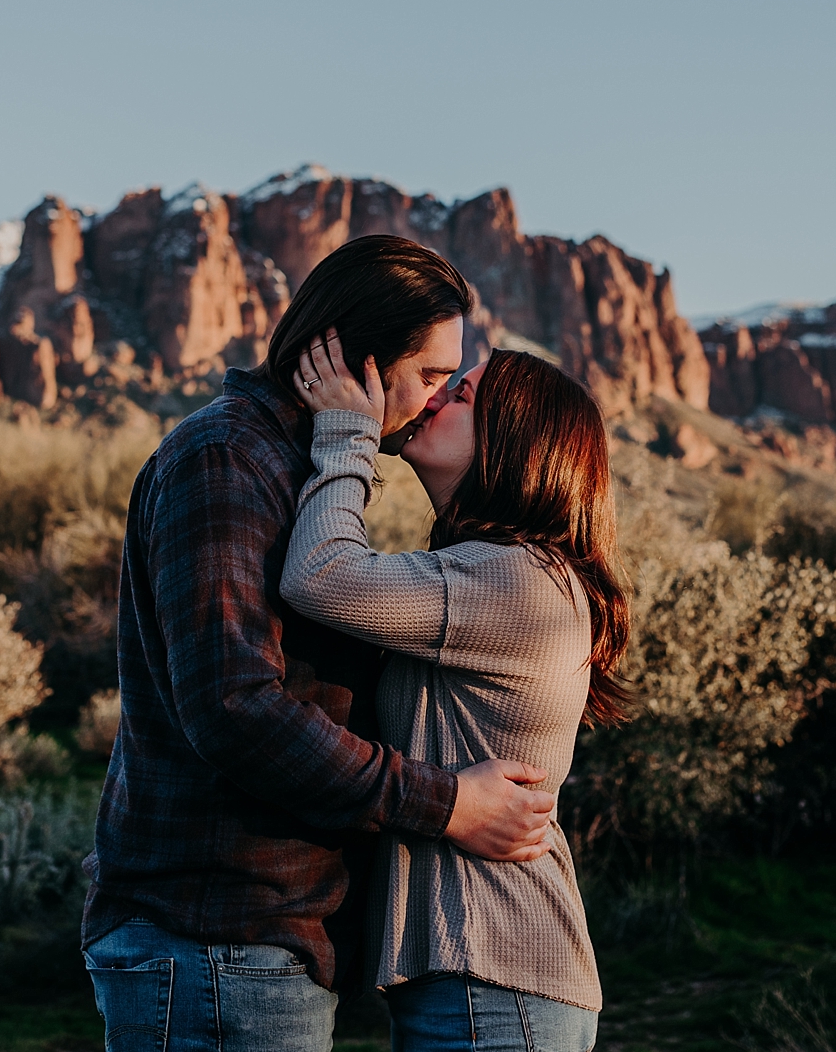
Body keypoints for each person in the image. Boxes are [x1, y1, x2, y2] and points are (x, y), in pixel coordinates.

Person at [83, 235, 560, 1052]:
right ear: (361, 362)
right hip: (217, 933)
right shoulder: (228, 459)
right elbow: (235, 707)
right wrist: (446, 803)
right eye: (432, 376)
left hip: (256, 940)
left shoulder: (292, 465)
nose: (437, 400)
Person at [282, 333, 629, 1052]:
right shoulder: (505, 570)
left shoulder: (514, 579)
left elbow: (319, 574)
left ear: (514, 439)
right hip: (487, 980)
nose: (434, 395)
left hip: (495, 978)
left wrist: (345, 433)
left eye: (460, 392)